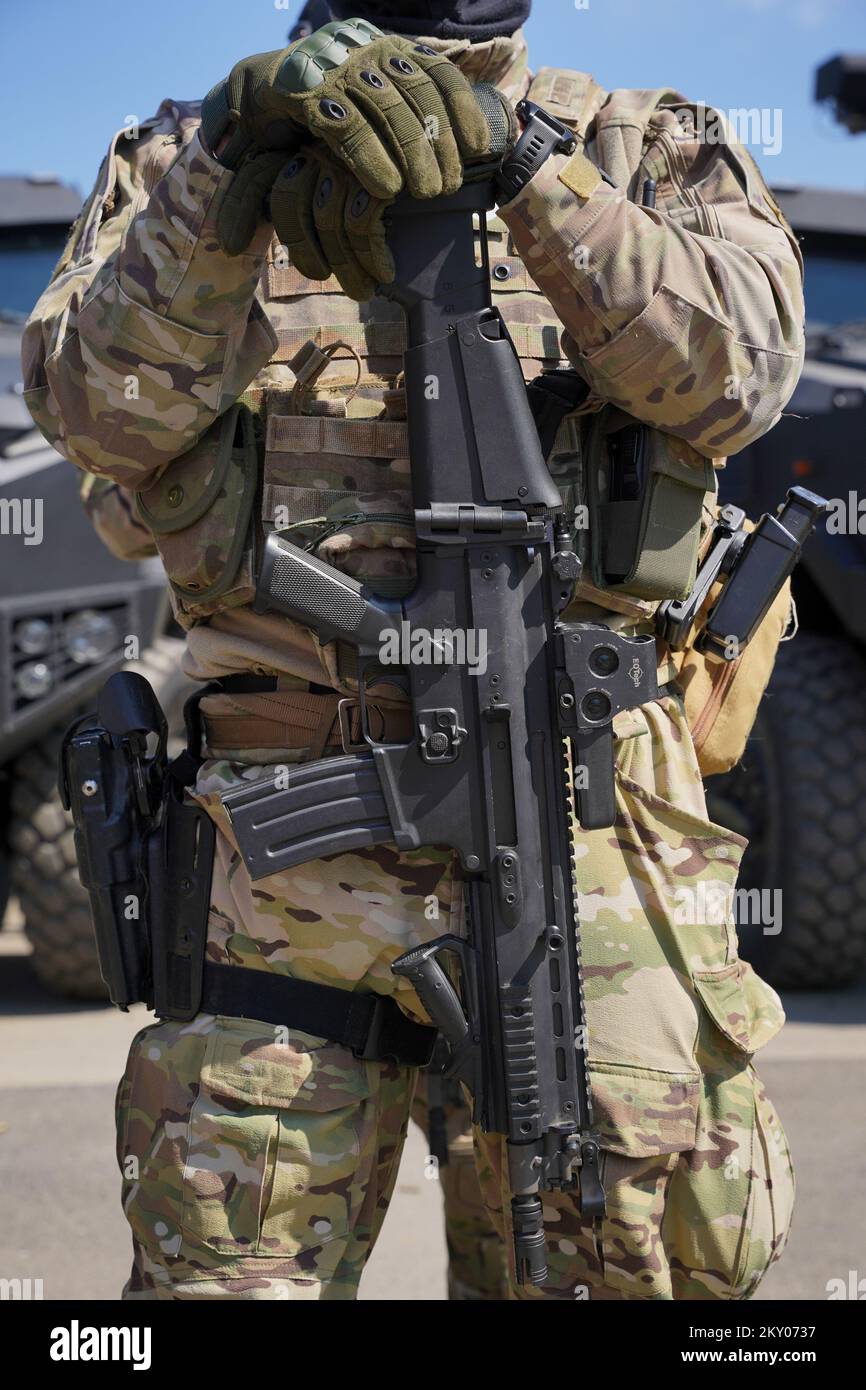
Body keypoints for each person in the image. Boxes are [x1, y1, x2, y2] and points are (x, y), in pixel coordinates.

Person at [23, 1, 801, 1300]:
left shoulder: (647, 141)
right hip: (277, 850)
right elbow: (97, 412)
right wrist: (227, 159)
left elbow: (734, 379)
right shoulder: (181, 157)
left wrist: (529, 168)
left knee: (624, 1263)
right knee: (223, 1270)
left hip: (587, 825)